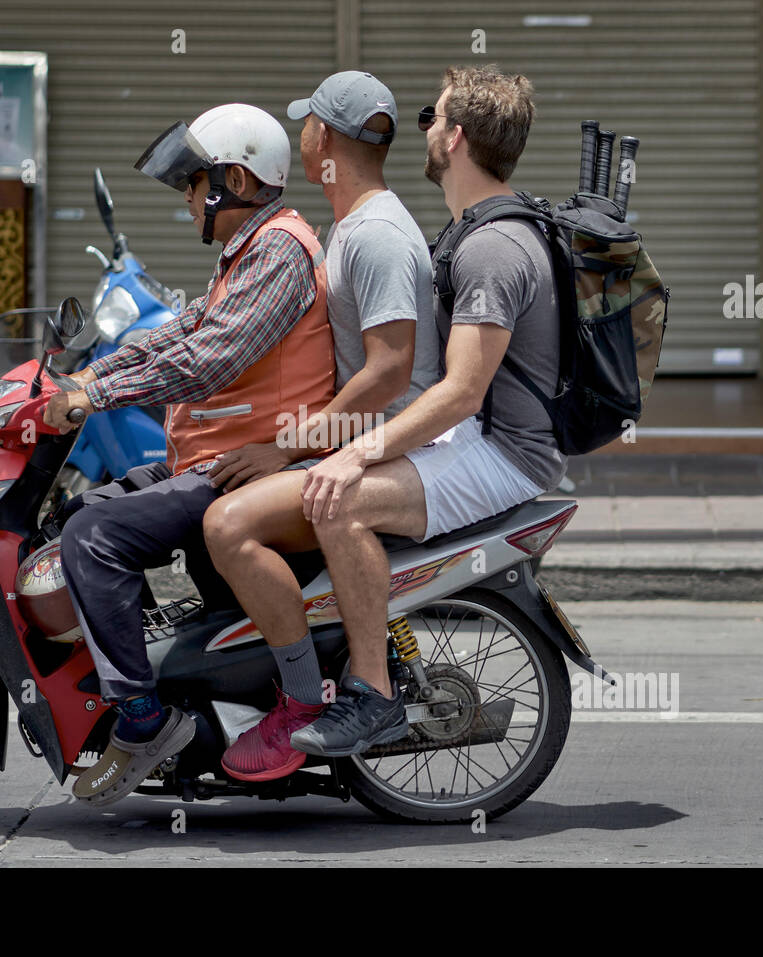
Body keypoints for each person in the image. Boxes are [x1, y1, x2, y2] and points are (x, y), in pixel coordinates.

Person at [41, 103, 336, 803]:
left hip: (240, 468)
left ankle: (144, 722)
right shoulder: (248, 253)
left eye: (194, 182)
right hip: (213, 458)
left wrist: (99, 390)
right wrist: (80, 375)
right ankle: (164, 675)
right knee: (79, 514)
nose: (187, 197)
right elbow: (180, 332)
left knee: (92, 536)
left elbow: (209, 358)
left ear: (234, 179)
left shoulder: (278, 253)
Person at [285, 65, 569, 757]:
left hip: (502, 450)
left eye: (431, 118)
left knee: (341, 501)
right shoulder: (476, 228)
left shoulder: (494, 249)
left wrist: (356, 449)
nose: (423, 130)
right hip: (478, 433)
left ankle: (373, 693)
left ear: (458, 138)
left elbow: (462, 392)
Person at [201, 72, 440, 782]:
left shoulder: (377, 236)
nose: (299, 136)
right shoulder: (352, 226)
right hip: (353, 442)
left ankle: (302, 701)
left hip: (385, 453)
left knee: (227, 525)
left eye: (306, 125)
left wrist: (283, 446)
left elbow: (389, 371)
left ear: (325, 139)